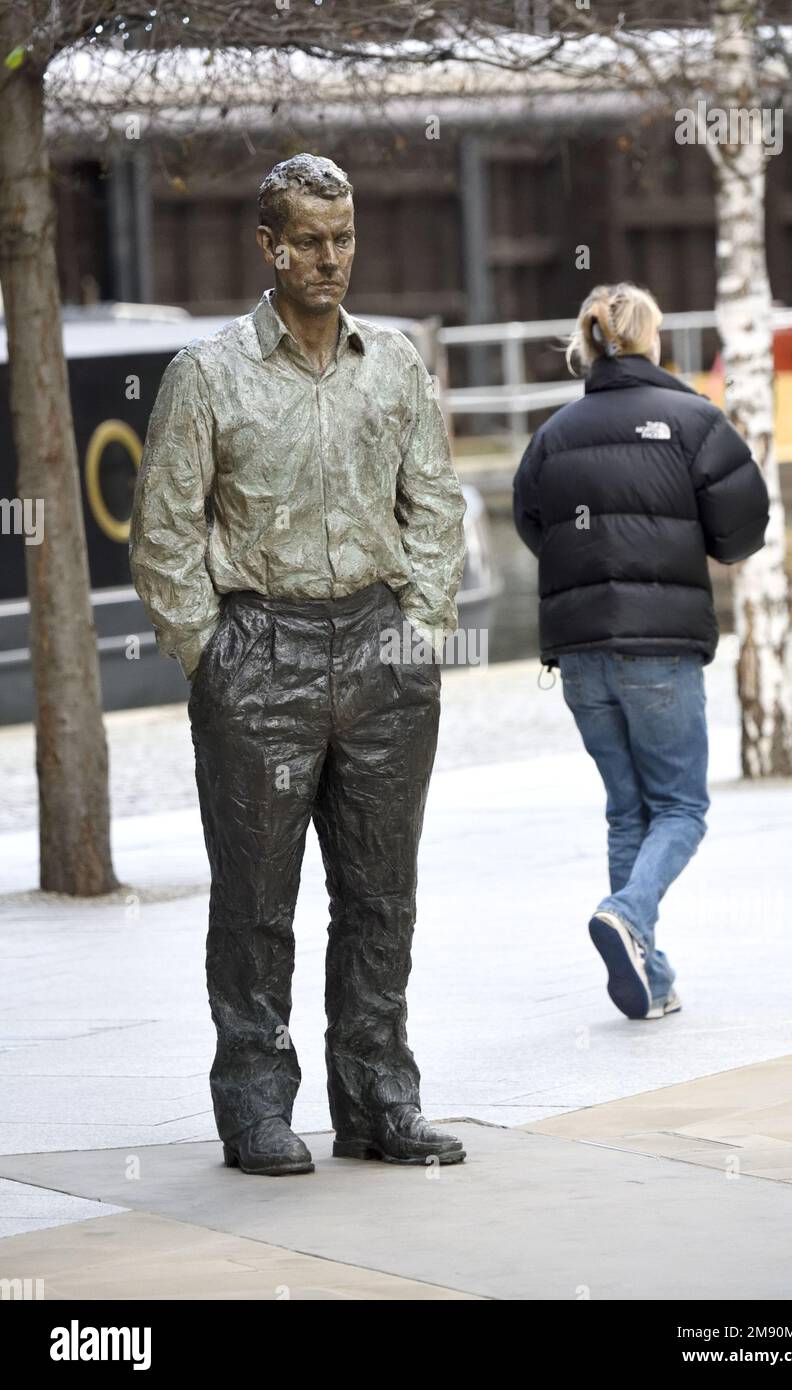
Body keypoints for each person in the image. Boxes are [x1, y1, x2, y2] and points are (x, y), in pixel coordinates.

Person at [130, 154, 467, 1174]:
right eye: (310, 240)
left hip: (381, 655)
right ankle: (256, 1108)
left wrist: (417, 624)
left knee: (379, 898)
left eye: (344, 237)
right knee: (255, 904)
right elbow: (162, 534)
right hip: (258, 657)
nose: (331, 258)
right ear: (268, 247)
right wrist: (212, 654)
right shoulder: (208, 374)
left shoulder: (395, 364)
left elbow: (437, 505)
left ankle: (378, 1102)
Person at [513, 282, 770, 1021]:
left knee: (628, 811)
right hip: (659, 649)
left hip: (580, 653)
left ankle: (649, 980)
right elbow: (742, 532)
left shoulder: (552, 434)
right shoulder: (695, 420)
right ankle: (625, 913)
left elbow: (538, 532)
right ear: (651, 340)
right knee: (681, 807)